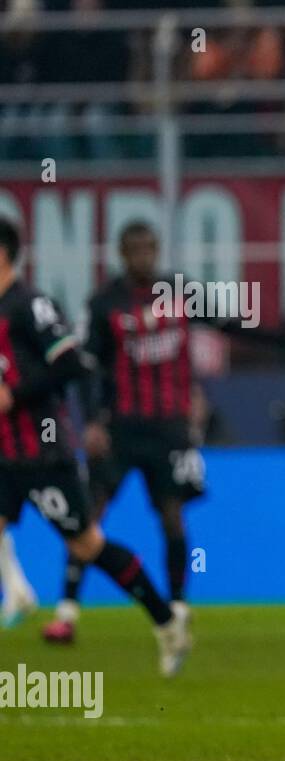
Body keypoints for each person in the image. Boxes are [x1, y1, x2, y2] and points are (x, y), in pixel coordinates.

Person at [43, 221, 285, 644]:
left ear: (157, 249)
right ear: (120, 253)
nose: (143, 257)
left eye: (149, 248)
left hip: (170, 429)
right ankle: (67, 612)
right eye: (134, 249)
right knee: (89, 517)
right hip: (120, 429)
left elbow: (230, 322)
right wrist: (92, 420)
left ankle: (175, 610)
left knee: (172, 518)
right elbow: (85, 369)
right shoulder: (103, 304)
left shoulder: (179, 291)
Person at [0, 217, 188, 675]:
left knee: (88, 545)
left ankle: (166, 621)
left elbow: (72, 364)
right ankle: (17, 589)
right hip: (5, 455)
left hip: (42, 455)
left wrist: (16, 394)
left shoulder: (30, 305)